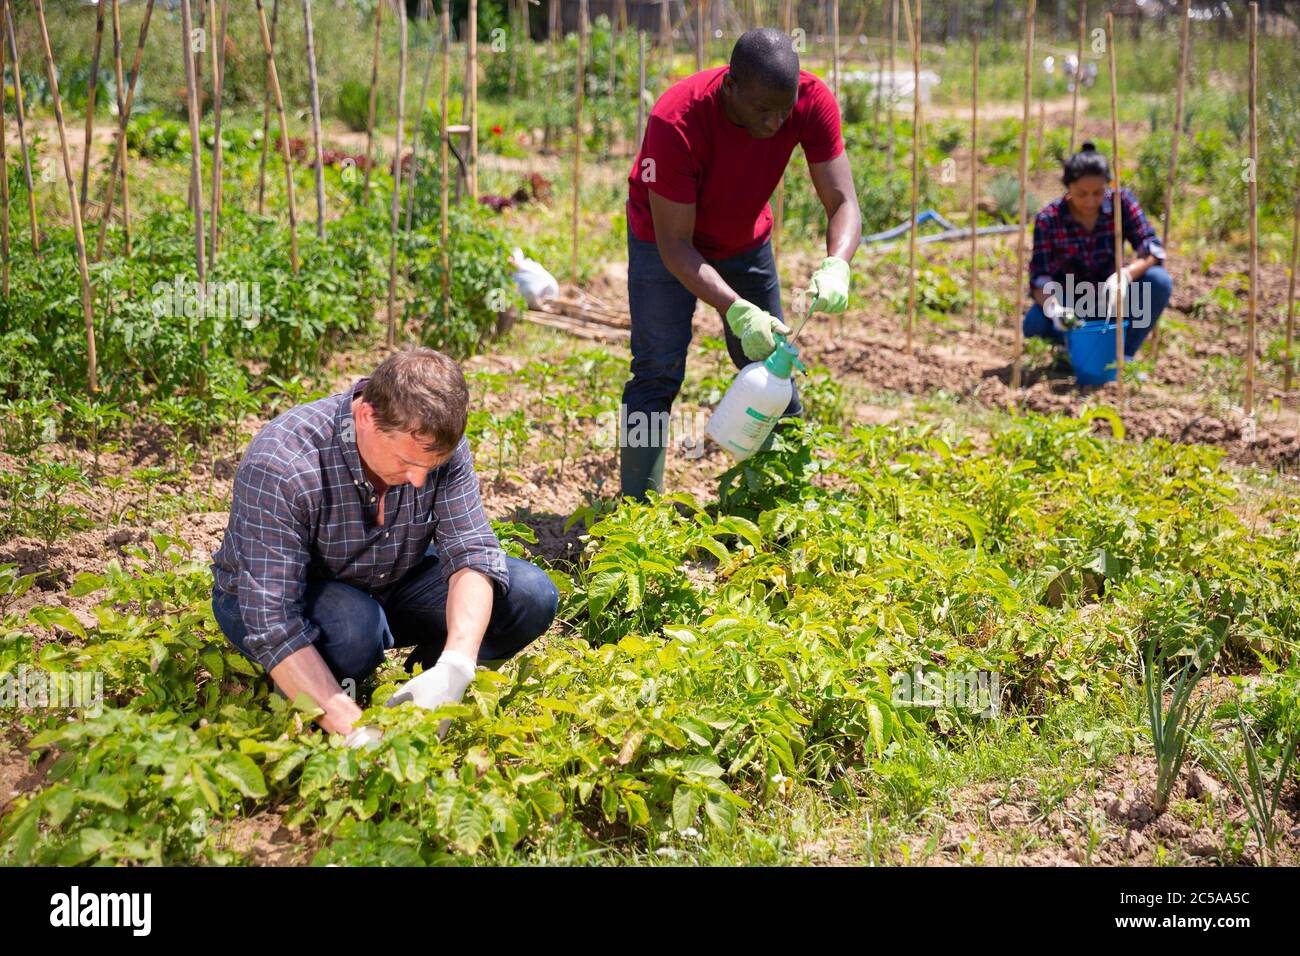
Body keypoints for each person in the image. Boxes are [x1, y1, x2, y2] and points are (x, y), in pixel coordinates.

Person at [210, 348, 559, 747]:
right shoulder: (283, 464)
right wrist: (357, 735)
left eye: (431, 467)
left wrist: (456, 666)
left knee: (529, 596)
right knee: (354, 627)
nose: (417, 480)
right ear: (366, 417)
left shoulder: (430, 445)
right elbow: (272, 621)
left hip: (393, 576)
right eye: (406, 462)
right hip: (284, 598)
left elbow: (473, 552)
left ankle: (424, 693)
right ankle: (318, 712)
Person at [621, 27, 862, 499]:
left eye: (783, 110)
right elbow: (676, 246)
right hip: (662, 238)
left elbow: (843, 201)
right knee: (656, 368)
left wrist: (838, 262)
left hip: (743, 235)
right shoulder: (676, 120)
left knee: (772, 361)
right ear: (730, 87)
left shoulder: (811, 102)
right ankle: (636, 508)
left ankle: (788, 500)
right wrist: (735, 307)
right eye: (762, 110)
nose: (775, 123)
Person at [1024, 142, 1172, 361]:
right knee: (1035, 322)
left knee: (1158, 281)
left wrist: (1126, 275)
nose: (1091, 201)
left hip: (1113, 299)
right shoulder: (1049, 219)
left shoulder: (1121, 203)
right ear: (1068, 187)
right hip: (1072, 300)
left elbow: (1152, 248)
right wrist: (1056, 309)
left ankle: (1122, 355)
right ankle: (1074, 351)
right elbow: (1040, 278)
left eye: (1098, 192)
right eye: (1082, 194)